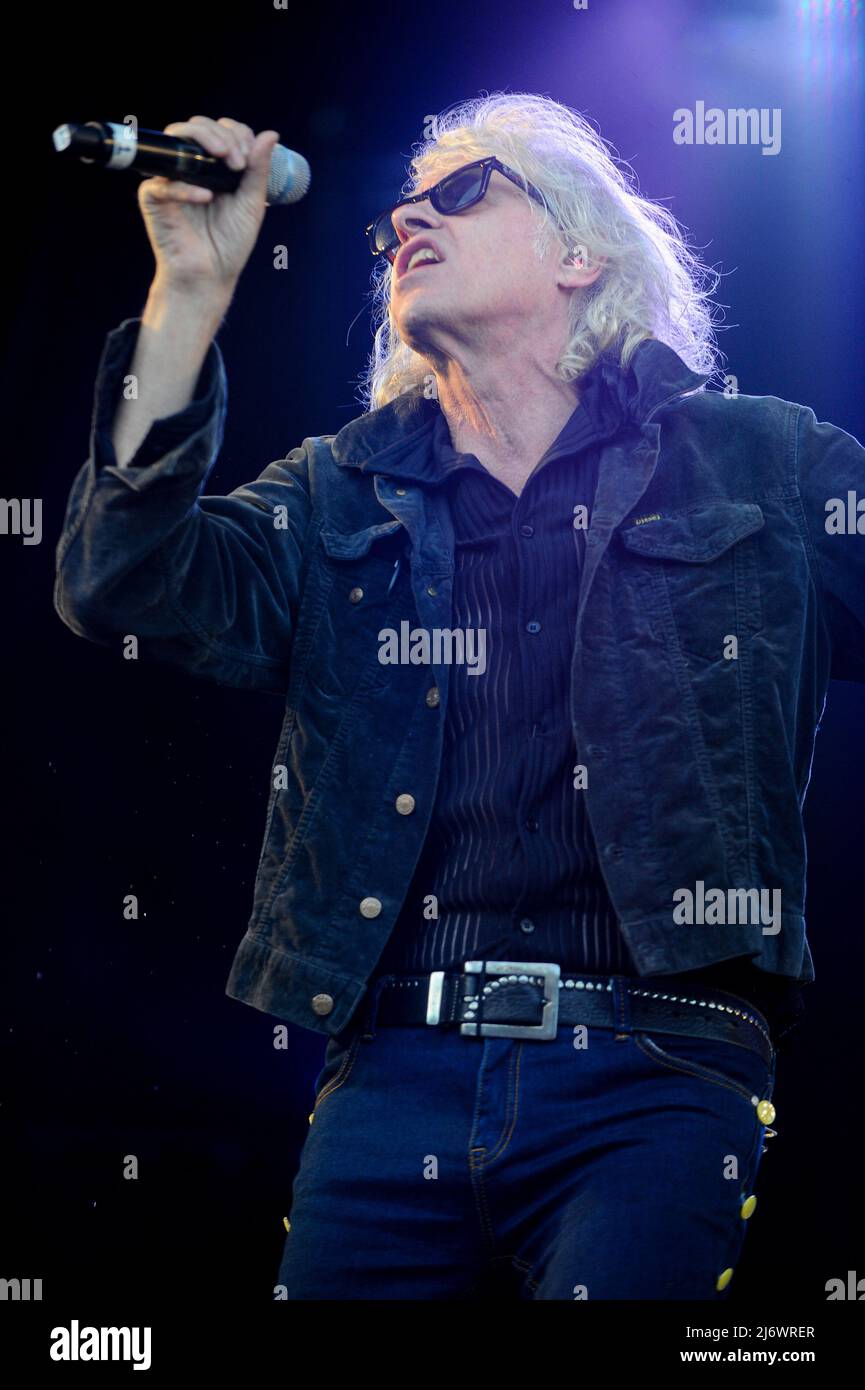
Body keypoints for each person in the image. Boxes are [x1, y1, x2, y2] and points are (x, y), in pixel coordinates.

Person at [54, 92, 865, 1300]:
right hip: (391, 1079)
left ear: (581, 254)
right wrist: (188, 296)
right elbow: (119, 582)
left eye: (462, 191)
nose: (407, 222)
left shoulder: (765, 460)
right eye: (398, 215)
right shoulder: (338, 491)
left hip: (657, 1070)